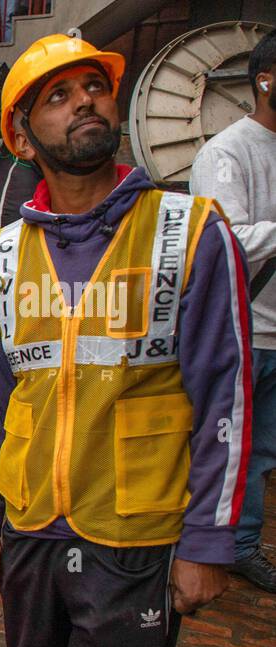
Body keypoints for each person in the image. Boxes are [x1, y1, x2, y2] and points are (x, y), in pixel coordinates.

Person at [0, 35, 253, 647]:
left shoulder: (189, 231)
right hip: (34, 525)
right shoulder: (6, 253)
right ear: (21, 135)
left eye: (95, 87)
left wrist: (208, 541)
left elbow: (226, 394)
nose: (85, 102)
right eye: (58, 96)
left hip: (136, 533)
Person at [190, 29, 276, 593]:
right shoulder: (227, 151)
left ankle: (240, 541)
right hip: (245, 331)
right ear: (265, 80)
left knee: (262, 449)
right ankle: (220, 545)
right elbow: (225, 240)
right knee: (230, 444)